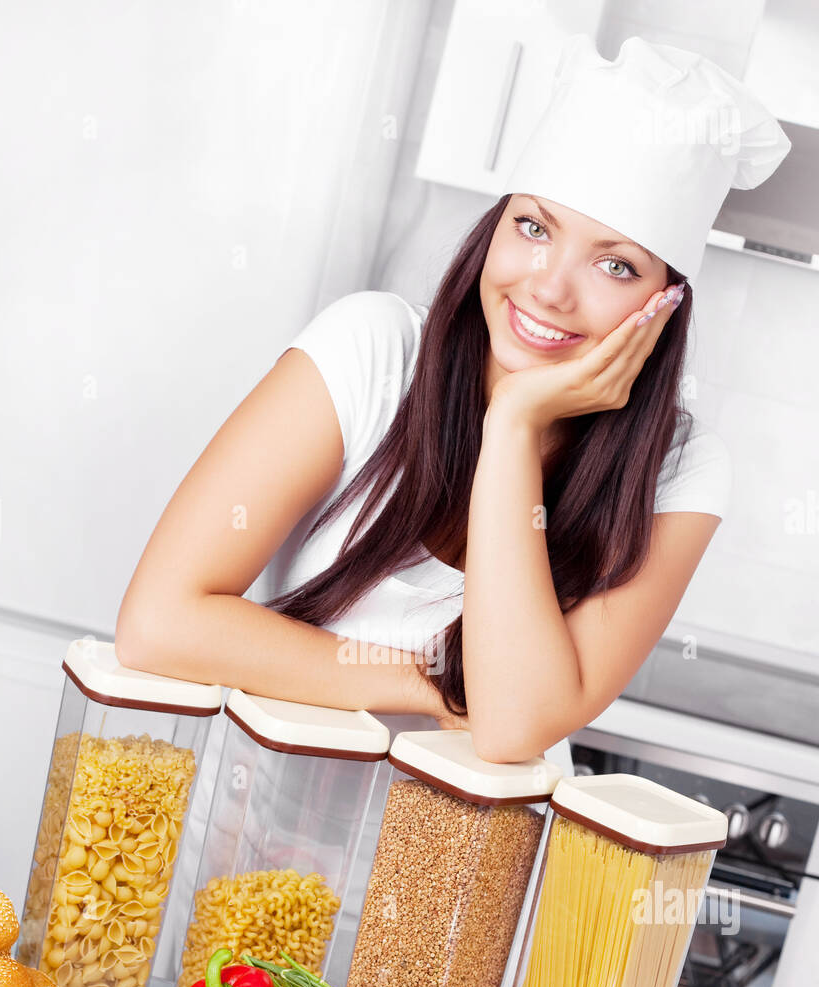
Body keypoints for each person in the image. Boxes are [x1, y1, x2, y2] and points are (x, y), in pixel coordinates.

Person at [115, 34, 789, 776]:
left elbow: (509, 726)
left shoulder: (681, 472)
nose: (548, 288)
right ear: (494, 228)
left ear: (665, 305)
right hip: (268, 849)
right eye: (533, 227)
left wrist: (513, 425)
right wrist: (434, 688)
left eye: (614, 264)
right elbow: (158, 624)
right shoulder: (372, 353)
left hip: (481, 875)